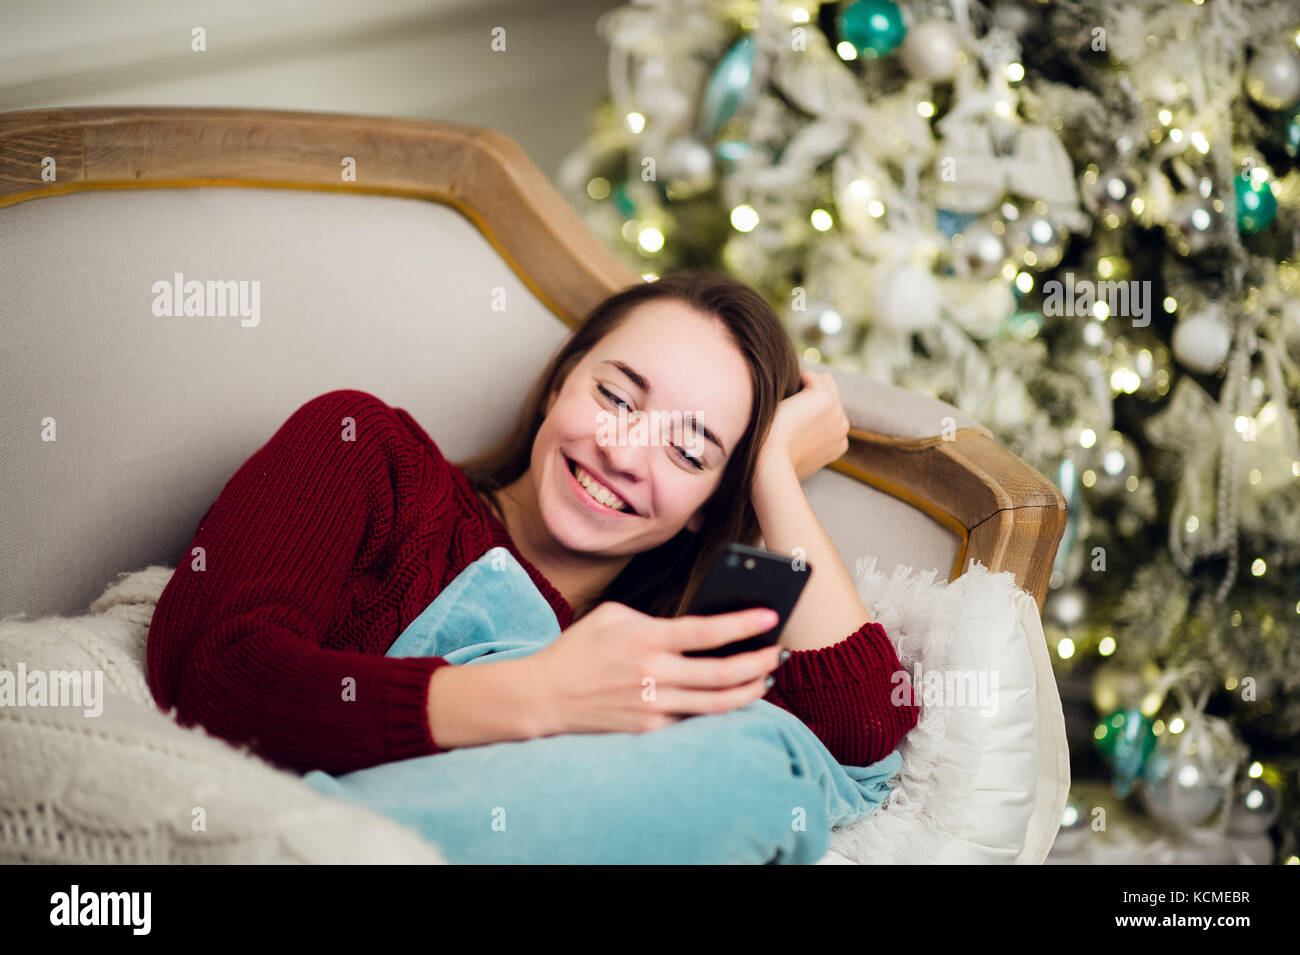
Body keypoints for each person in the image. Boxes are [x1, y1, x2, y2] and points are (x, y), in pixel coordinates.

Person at [146, 270, 919, 792]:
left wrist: (774, 472)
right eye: (617, 396)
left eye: (690, 450)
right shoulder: (368, 453)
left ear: (710, 509)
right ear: (558, 383)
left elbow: (863, 733)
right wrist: (539, 694)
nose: (622, 452)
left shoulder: (655, 657)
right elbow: (213, 677)